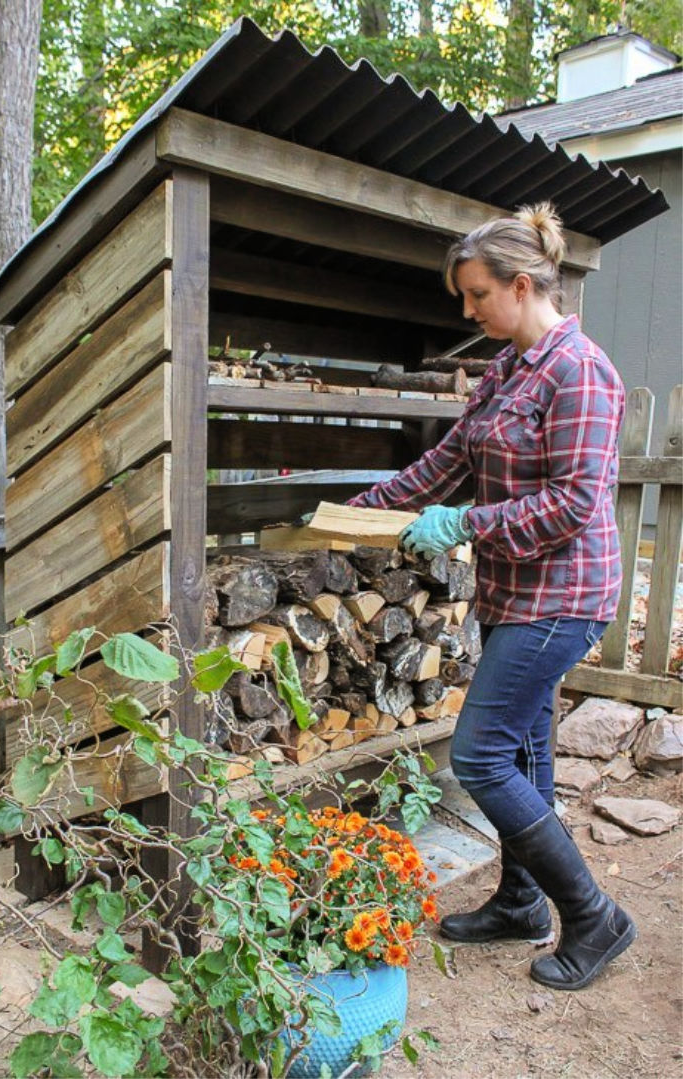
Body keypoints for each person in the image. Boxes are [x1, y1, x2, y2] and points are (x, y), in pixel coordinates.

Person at [347, 202, 636, 991]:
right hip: (515, 595)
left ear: (519, 284)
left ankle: (595, 916)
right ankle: (520, 901)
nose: (468, 311)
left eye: (476, 295)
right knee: (527, 749)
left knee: (478, 752)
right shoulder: (509, 368)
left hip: (564, 597)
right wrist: (368, 508)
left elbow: (575, 502)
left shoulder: (582, 371)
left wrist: (464, 523)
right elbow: (445, 462)